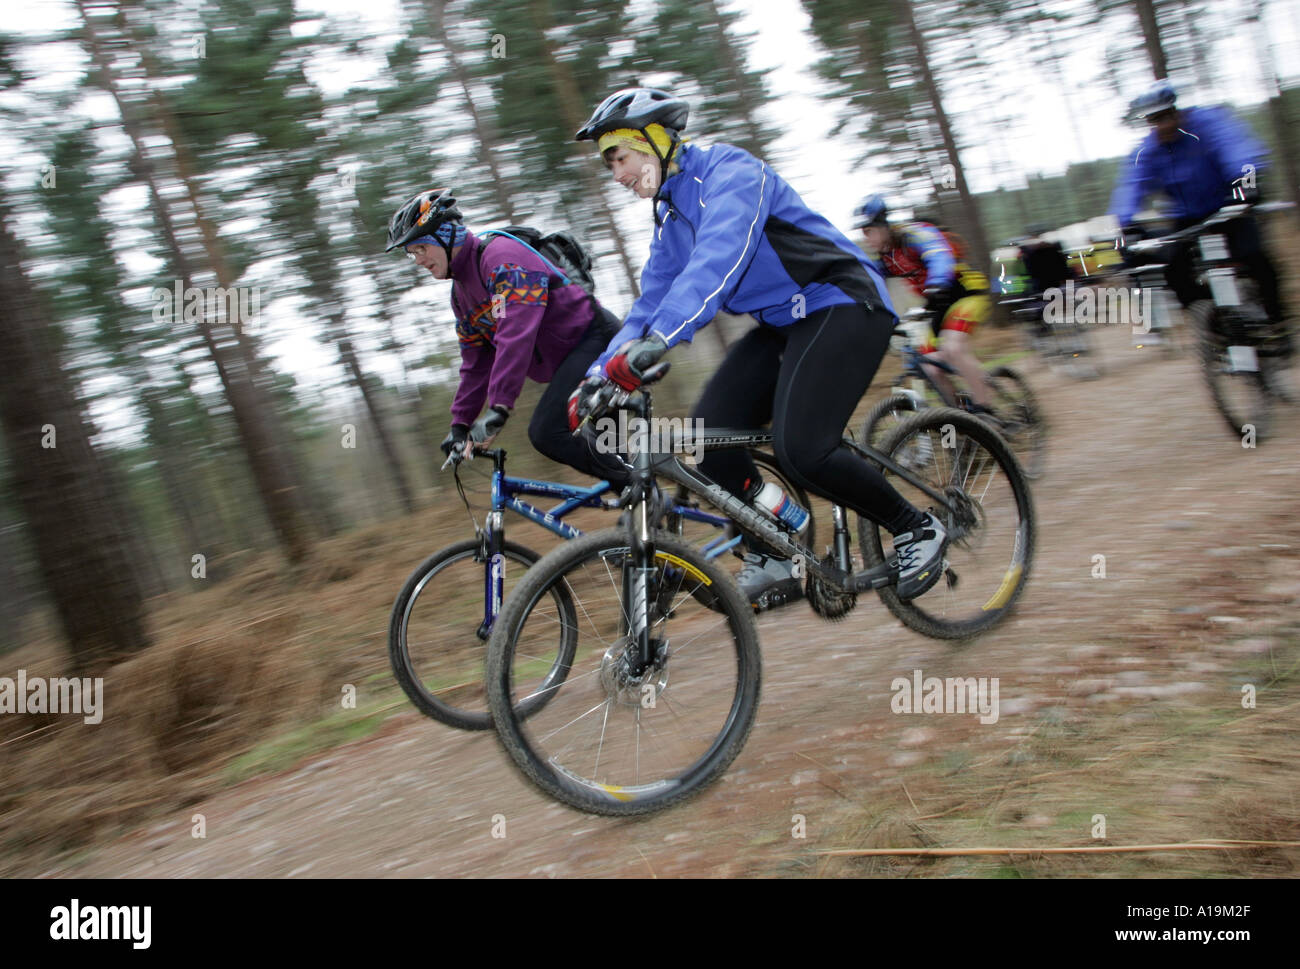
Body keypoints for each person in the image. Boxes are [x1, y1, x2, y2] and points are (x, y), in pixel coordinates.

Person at [569, 87, 948, 607]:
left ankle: (915, 527)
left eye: (620, 158)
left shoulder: (730, 172)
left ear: (655, 140)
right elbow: (649, 303)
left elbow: (718, 260)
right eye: (610, 166)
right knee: (707, 439)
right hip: (782, 324)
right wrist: (598, 375)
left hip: (838, 301)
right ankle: (773, 549)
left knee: (803, 448)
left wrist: (659, 342)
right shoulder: (670, 218)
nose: (617, 175)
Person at [385, 189, 629, 486]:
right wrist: (460, 425)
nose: (418, 260)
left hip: (595, 339)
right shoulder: (461, 297)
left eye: (421, 248)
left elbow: (516, 334)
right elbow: (476, 364)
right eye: (411, 253)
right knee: (610, 455)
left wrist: (499, 408)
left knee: (548, 432)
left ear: (445, 234)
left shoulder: (502, 258)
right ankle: (644, 504)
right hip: (570, 360)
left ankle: (641, 488)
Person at [1110, 80, 1290, 351]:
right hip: (1188, 218)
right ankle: (1218, 324)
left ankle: (1277, 326)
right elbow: (1131, 185)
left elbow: (1240, 152)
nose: (1163, 124)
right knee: (1174, 273)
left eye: (1167, 115)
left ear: (1176, 110)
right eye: (1155, 119)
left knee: (1255, 257)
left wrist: (1248, 183)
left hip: (1229, 205)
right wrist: (1125, 223)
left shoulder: (1207, 123)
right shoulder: (1147, 150)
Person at [854, 195, 998, 412]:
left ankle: (986, 411)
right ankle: (966, 417)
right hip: (937, 305)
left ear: (883, 226)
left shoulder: (913, 235)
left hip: (966, 292)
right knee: (929, 367)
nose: (866, 239)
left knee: (953, 348)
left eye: (868, 231)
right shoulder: (884, 259)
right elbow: (869, 286)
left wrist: (937, 282)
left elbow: (938, 255)